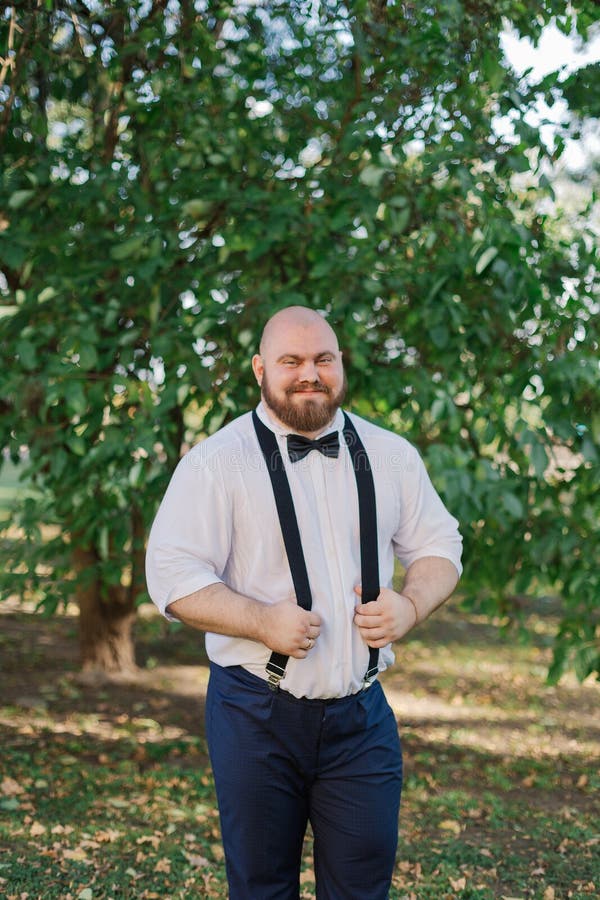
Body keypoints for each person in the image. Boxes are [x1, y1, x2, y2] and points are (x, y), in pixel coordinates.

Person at [145, 306, 462, 900]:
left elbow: (440, 545)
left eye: (323, 359)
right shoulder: (216, 462)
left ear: (340, 364)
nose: (308, 373)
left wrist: (412, 605)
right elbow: (172, 574)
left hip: (362, 718)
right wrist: (262, 620)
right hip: (255, 714)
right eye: (291, 361)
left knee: (363, 885)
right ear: (261, 369)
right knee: (262, 886)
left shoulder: (391, 454)